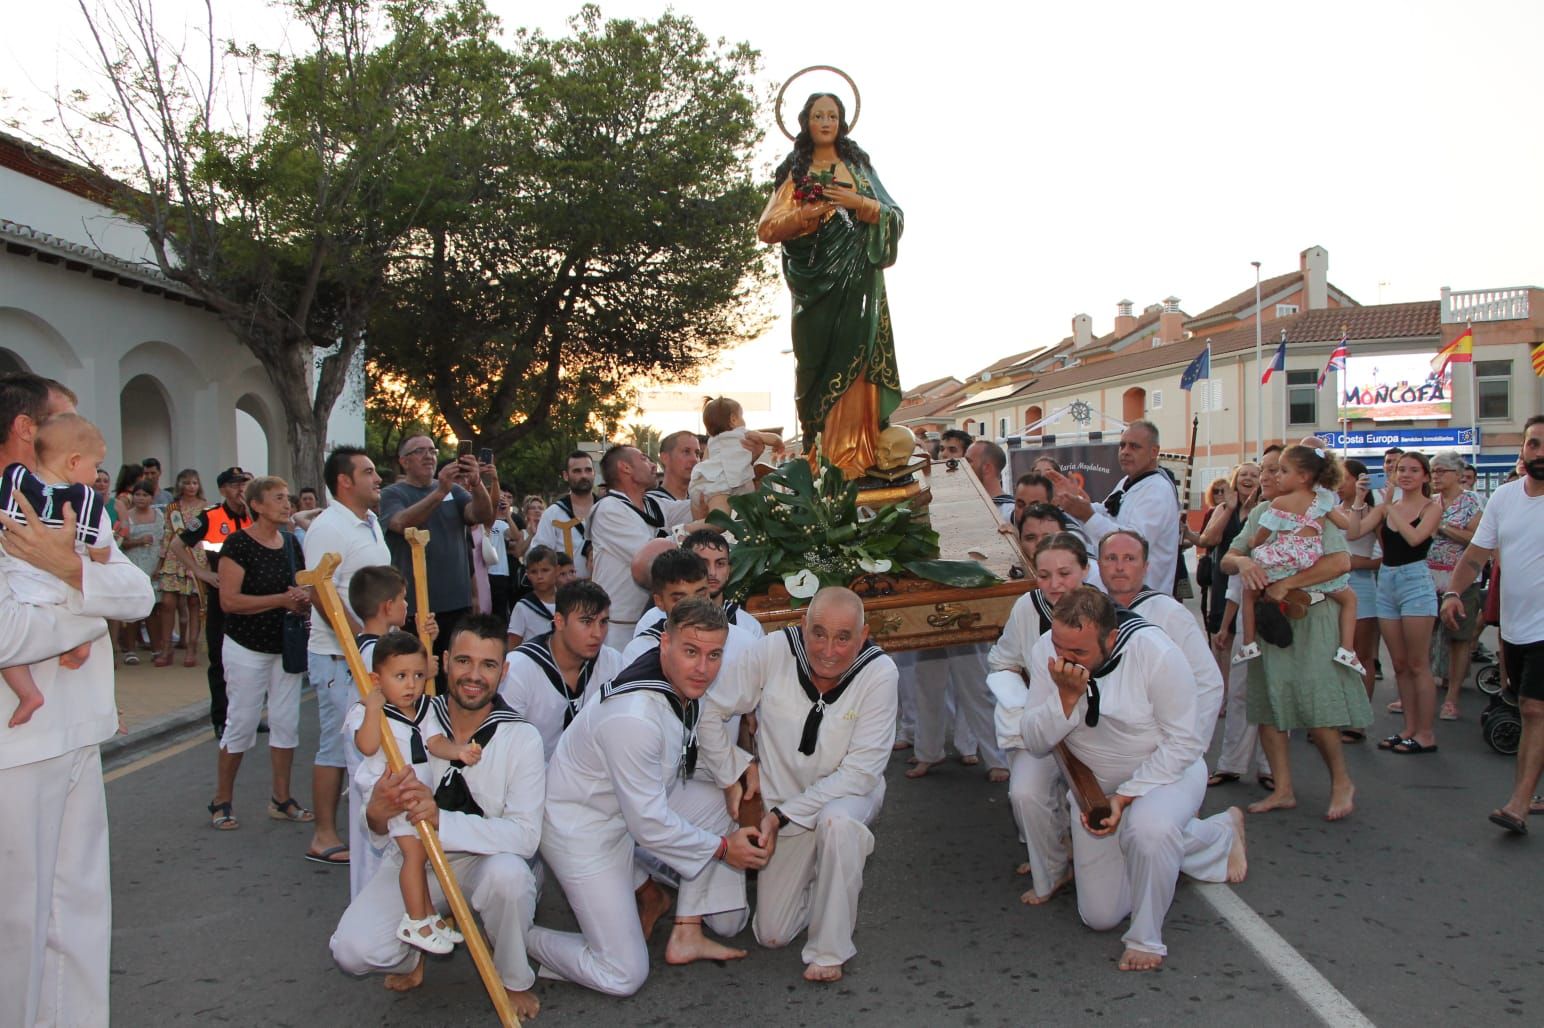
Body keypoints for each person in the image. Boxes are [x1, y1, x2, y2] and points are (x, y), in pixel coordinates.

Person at [0, 372, 155, 1028]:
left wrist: (69, 572)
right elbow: (8, 634)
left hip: (77, 737)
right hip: (14, 751)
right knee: (16, 934)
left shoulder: (74, 505)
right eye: (68, 421)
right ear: (29, 429)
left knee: (81, 923)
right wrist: (90, 605)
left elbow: (138, 595)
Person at [528, 598, 767, 997]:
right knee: (623, 973)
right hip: (582, 831)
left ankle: (687, 930)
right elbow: (649, 824)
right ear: (664, 645)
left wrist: (738, 769)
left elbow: (684, 751)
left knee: (723, 801)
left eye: (713, 655)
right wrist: (725, 850)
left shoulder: (680, 681)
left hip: (629, 810)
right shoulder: (635, 716)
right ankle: (520, 938)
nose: (703, 668)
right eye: (691, 652)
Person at [1016, 587, 1246, 971]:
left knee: (1149, 831)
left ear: (1110, 638)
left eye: (1078, 654)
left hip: (1164, 775)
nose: (1064, 660)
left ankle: (1146, 937)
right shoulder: (1048, 650)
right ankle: (1211, 836)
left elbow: (1185, 742)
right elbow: (1036, 740)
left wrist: (1127, 797)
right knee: (1100, 916)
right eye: (1060, 648)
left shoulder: (1156, 653)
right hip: (1094, 788)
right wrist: (1065, 701)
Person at [330, 614, 545, 1021]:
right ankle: (416, 947)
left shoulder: (522, 737)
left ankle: (513, 978)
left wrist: (442, 820)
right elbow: (377, 829)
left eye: (489, 665)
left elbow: (526, 837)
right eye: (463, 661)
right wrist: (377, 813)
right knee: (353, 953)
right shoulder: (407, 716)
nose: (474, 676)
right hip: (417, 859)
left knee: (510, 878)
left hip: (485, 861)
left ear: (505, 671)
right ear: (443, 662)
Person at [698, 586, 898, 983]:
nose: (828, 649)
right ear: (802, 627)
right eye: (818, 633)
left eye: (844, 637)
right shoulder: (772, 651)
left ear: (863, 635)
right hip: (781, 802)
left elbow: (861, 772)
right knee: (771, 934)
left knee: (838, 826)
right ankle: (827, 881)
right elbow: (712, 710)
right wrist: (734, 770)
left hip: (845, 799)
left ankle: (830, 950)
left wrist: (780, 816)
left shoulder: (879, 672)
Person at [758, 91, 903, 479]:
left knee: (857, 356)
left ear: (842, 122)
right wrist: (807, 213)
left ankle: (859, 453)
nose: (826, 122)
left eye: (833, 116)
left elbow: (893, 214)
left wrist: (860, 203)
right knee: (814, 364)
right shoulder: (797, 171)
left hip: (858, 279)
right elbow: (767, 227)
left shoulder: (857, 168)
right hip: (813, 284)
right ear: (806, 121)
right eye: (819, 115)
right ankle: (819, 453)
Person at [1224, 456, 1372, 819]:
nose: (1271, 476)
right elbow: (1230, 555)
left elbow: (1340, 562)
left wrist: (1288, 582)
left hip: (1314, 616)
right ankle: (1283, 789)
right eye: (1270, 471)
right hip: (1270, 620)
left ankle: (1341, 783)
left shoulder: (1319, 511)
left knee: (1317, 707)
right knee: (1270, 707)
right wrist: (1243, 563)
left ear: (1304, 477)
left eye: (1279, 470)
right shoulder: (1262, 512)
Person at [1442, 415, 1544, 835]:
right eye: (1534, 444)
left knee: (1536, 709)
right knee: (1526, 708)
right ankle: (1525, 793)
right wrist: (1452, 593)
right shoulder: (1503, 498)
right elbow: (1474, 556)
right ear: (1523, 450)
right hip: (1516, 628)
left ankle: (1518, 803)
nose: (1540, 452)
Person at [351, 632, 483, 953]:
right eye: (400, 677)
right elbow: (366, 745)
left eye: (418, 676)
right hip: (393, 795)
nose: (411, 685)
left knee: (422, 855)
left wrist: (459, 752)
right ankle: (415, 919)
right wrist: (372, 708)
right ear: (377, 679)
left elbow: (434, 743)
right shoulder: (372, 713)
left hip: (420, 794)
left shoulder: (424, 708)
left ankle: (428, 915)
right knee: (414, 855)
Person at [987, 532, 1094, 903]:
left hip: (1095, 729)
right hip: (1040, 724)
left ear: (1085, 569)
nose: (1055, 584)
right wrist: (1021, 701)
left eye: (1065, 573)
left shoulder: (1102, 610)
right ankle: (1052, 867)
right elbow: (1002, 660)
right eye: (1044, 575)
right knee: (1024, 793)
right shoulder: (1026, 608)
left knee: (1109, 803)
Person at [300, 445, 391, 867]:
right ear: (344, 481)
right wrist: (359, 638)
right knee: (337, 745)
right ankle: (323, 834)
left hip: (369, 652)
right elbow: (320, 590)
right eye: (368, 472)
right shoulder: (328, 526)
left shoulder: (370, 521)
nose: (377, 479)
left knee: (368, 743)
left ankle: (368, 827)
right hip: (338, 656)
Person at [206, 476, 313, 830]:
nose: (287, 504)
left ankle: (281, 799)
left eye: (288, 497)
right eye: (279, 498)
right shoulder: (237, 544)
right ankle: (222, 799)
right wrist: (281, 600)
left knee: (286, 723)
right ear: (257, 505)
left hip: (284, 646)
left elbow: (299, 587)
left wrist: (301, 599)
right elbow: (230, 601)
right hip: (246, 647)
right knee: (242, 721)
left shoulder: (290, 544)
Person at [0, 413, 110, 725]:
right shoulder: (87, 503)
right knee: (75, 614)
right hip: (63, 586)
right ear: (74, 461)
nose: (97, 476)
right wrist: (85, 565)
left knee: (11, 655)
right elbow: (100, 552)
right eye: (95, 467)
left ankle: (28, 693)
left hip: (22, 582)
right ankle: (79, 643)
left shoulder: (15, 485)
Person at [341, 565, 436, 896]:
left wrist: (427, 643)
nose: (406, 605)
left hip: (392, 755)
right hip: (379, 761)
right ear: (387, 606)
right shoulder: (372, 652)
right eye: (403, 599)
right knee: (379, 850)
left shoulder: (376, 646)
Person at [1345, 451, 1443, 754]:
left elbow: (1415, 539)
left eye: (1414, 470)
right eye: (1401, 469)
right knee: (1399, 663)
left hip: (1415, 582)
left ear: (1425, 476)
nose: (1406, 475)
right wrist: (1361, 500)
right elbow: (1353, 531)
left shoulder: (1431, 507)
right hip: (1386, 582)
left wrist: (1389, 507)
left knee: (1418, 663)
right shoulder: (1389, 506)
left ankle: (1425, 733)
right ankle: (1409, 729)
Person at [1233, 446, 1363, 674]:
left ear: (1302, 476)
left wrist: (1254, 543)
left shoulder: (1280, 504)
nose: (1276, 477)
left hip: (1285, 559)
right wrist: (1355, 512)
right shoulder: (1322, 500)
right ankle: (1347, 649)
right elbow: (1345, 525)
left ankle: (1249, 643)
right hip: (1311, 559)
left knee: (1249, 592)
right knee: (1349, 599)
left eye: (1282, 471)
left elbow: (1264, 532)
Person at [379, 435, 495, 681]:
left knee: (455, 673)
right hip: (416, 607)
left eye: (432, 450)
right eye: (419, 451)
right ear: (404, 461)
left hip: (456, 603)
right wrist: (440, 491)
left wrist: (477, 484)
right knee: (419, 674)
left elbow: (482, 515)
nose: (429, 455)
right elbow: (400, 523)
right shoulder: (393, 493)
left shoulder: (455, 490)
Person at [1099, 529, 1224, 738]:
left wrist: (1187, 747)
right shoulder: (1093, 612)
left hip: (1163, 740)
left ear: (1145, 567)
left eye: (1129, 558)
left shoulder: (1169, 612)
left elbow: (1208, 682)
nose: (1119, 567)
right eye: (1111, 558)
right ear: (1098, 565)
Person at [1046, 421, 1182, 597]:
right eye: (1122, 445)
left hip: (1145, 599)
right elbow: (1107, 512)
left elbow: (1132, 544)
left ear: (1153, 452)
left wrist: (1086, 514)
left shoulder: (1157, 490)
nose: (1125, 451)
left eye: (1134, 447)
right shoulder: (1127, 482)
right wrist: (1075, 501)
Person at [169, 466, 254, 734]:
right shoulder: (211, 516)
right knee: (220, 659)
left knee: (252, 662)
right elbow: (177, 545)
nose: (240, 489)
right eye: (234, 484)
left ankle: (248, 717)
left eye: (244, 483)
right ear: (223, 490)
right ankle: (221, 719)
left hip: (254, 595)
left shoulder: (257, 515)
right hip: (222, 593)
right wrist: (200, 572)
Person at [498, 579, 622, 760]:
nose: (597, 633)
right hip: (533, 778)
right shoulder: (518, 669)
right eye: (586, 621)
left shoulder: (613, 662)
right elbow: (504, 747)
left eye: (603, 622)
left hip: (592, 778)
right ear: (559, 621)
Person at [587, 444, 690, 648]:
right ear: (625, 468)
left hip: (652, 623)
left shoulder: (654, 505)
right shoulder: (609, 510)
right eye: (644, 459)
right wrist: (689, 530)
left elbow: (697, 509)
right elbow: (652, 558)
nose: (653, 465)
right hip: (616, 630)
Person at [1427, 451, 1484, 721]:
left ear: (1457, 474)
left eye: (1441, 471)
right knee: (1425, 636)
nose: (1435, 476)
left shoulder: (1471, 502)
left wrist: (1443, 527)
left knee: (1458, 638)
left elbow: (1476, 539)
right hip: (1428, 576)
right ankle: (1419, 693)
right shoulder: (1429, 501)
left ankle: (1452, 698)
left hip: (1460, 580)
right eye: (1433, 471)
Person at [1335, 458, 1381, 741]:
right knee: (1333, 655)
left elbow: (1388, 559)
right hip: (1331, 589)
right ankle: (1334, 715)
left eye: (1343, 478)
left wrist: (1353, 563)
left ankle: (1358, 720)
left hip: (1363, 589)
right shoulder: (1331, 511)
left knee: (1361, 656)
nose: (1339, 484)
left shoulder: (1374, 513)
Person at [688, 396, 781, 519]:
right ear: (733, 419)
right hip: (725, 486)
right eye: (741, 416)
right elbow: (772, 438)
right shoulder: (742, 433)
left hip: (706, 484)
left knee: (711, 520)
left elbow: (706, 463)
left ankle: (692, 528)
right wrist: (779, 443)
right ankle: (686, 530)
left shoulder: (712, 442)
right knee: (721, 520)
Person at [154, 468, 207, 668]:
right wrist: (160, 562)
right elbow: (168, 534)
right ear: (180, 485)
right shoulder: (173, 508)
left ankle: (192, 647)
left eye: (194, 482)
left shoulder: (206, 507)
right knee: (167, 603)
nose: (191, 487)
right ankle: (166, 647)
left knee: (194, 602)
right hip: (173, 558)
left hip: (196, 556)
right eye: (187, 483)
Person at [114, 479, 166, 664]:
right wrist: (139, 541)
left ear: (152, 498)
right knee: (133, 609)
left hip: (153, 566)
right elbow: (120, 542)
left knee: (153, 608)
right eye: (137, 494)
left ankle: (156, 648)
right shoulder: (126, 516)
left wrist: (159, 567)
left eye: (145, 495)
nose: (140, 498)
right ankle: (130, 650)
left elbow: (164, 543)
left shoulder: (159, 515)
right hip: (133, 564)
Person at [683, 527, 765, 639]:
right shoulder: (660, 619)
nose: (712, 573)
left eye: (720, 564)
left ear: (728, 571)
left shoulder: (749, 627)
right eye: (703, 563)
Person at [532, 452, 597, 579]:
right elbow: (540, 555)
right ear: (566, 475)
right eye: (577, 471)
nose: (584, 475)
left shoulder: (607, 510)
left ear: (594, 473)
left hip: (605, 587)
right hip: (566, 591)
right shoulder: (553, 514)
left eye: (588, 470)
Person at [506, 544, 558, 648]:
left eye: (545, 570)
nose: (539, 576)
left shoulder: (568, 602)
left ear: (556, 570)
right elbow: (512, 646)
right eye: (534, 572)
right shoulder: (523, 607)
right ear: (527, 575)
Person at [485, 489, 515, 625]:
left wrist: (508, 515)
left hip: (500, 573)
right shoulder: (479, 523)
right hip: (483, 572)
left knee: (500, 612)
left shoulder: (502, 524)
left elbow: (516, 536)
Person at [966, 439, 1014, 521]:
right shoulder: (966, 505)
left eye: (968, 461)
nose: (964, 466)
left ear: (987, 468)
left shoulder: (1011, 512)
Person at [650, 429, 703, 504]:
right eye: (686, 451)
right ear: (665, 458)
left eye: (697, 454)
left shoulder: (700, 503)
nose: (695, 459)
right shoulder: (650, 504)